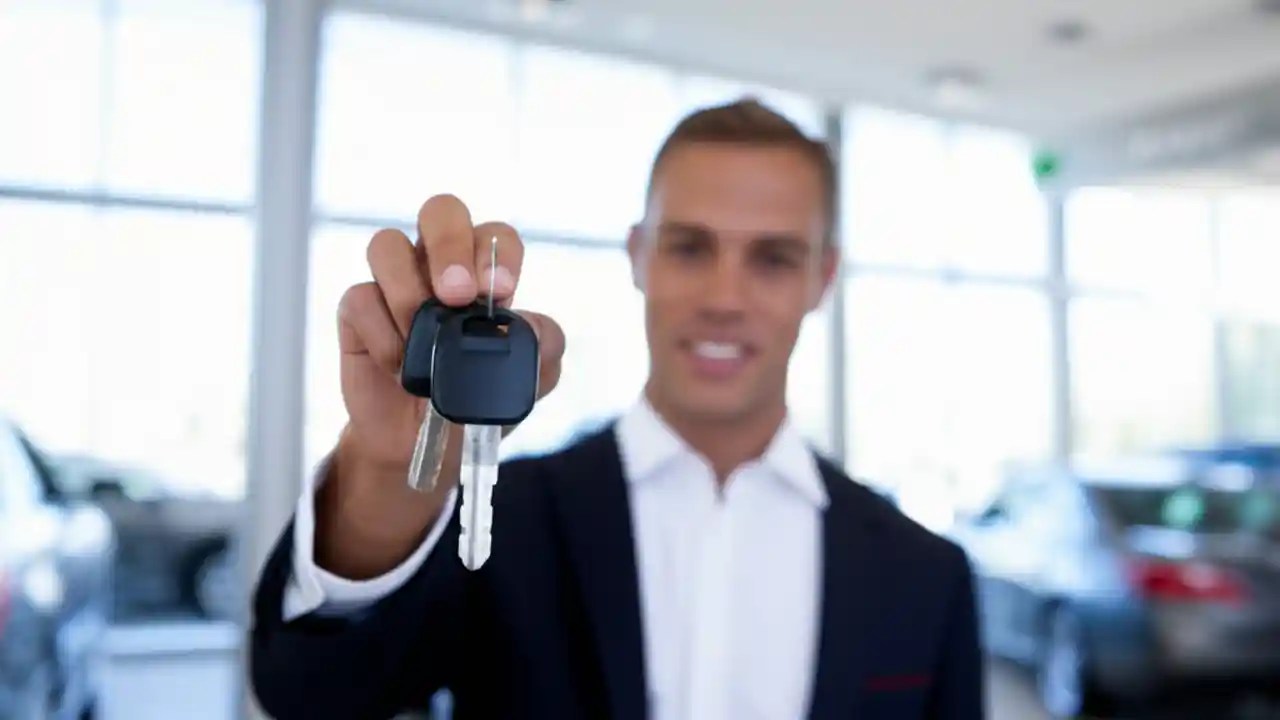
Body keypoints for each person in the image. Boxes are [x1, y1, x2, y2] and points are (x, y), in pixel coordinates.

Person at [250, 98, 984, 720]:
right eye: (690, 248)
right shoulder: (513, 524)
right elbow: (307, 692)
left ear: (823, 278)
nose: (725, 299)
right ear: (639, 256)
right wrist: (387, 474)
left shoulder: (925, 574)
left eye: (773, 258)